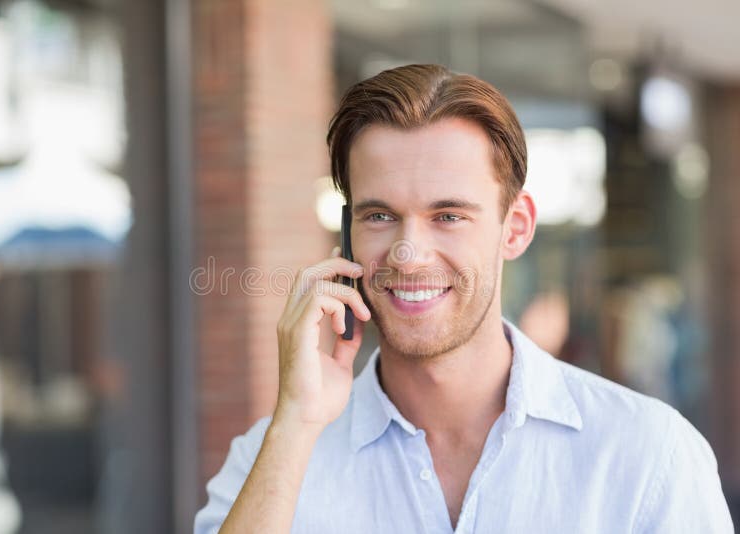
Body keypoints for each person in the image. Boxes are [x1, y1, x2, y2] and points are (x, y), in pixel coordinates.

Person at [193, 64, 733, 533]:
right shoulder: (270, 458)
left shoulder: (648, 455)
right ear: (347, 230)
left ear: (515, 228)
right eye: (379, 215)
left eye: (447, 216)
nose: (407, 253)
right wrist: (295, 425)